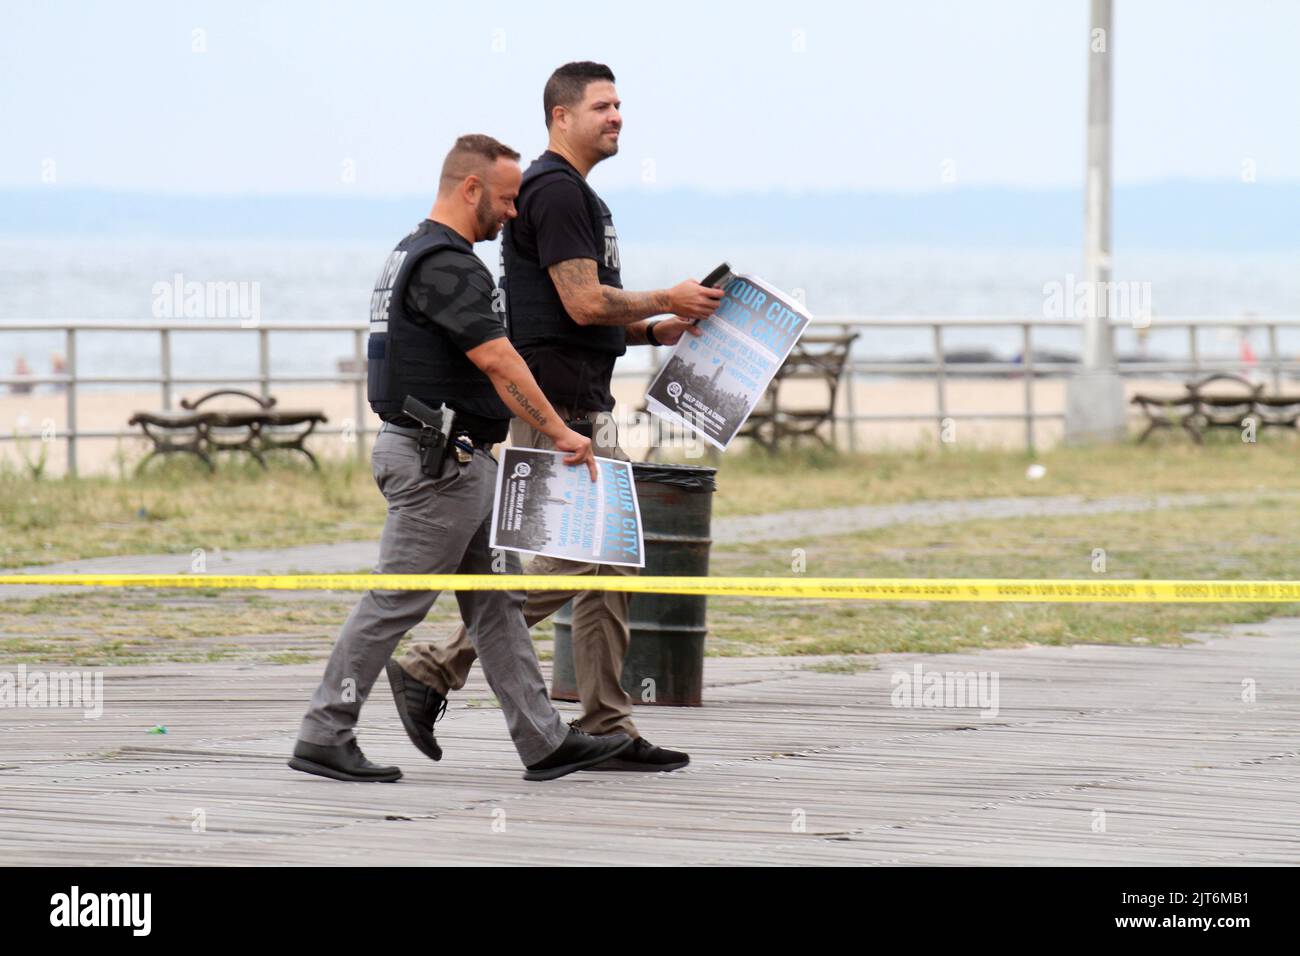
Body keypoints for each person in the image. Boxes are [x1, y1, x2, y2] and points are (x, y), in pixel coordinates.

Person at [388, 63, 722, 772]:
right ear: (560, 116)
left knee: (610, 565)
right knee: (583, 555)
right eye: (602, 106)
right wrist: (670, 296)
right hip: (555, 406)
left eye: (621, 105)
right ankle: (434, 665)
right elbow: (580, 302)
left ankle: (608, 721)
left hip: (579, 396)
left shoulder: (576, 198)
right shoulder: (557, 190)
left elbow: (575, 314)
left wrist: (654, 329)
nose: (617, 117)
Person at [290, 133, 632, 783]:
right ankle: (323, 731)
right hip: (437, 462)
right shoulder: (448, 263)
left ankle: (543, 739)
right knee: (396, 601)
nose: (512, 213)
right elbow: (498, 358)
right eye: (505, 200)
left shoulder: (410, 254)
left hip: (454, 457)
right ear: (469, 188)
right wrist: (560, 430)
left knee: (496, 603)